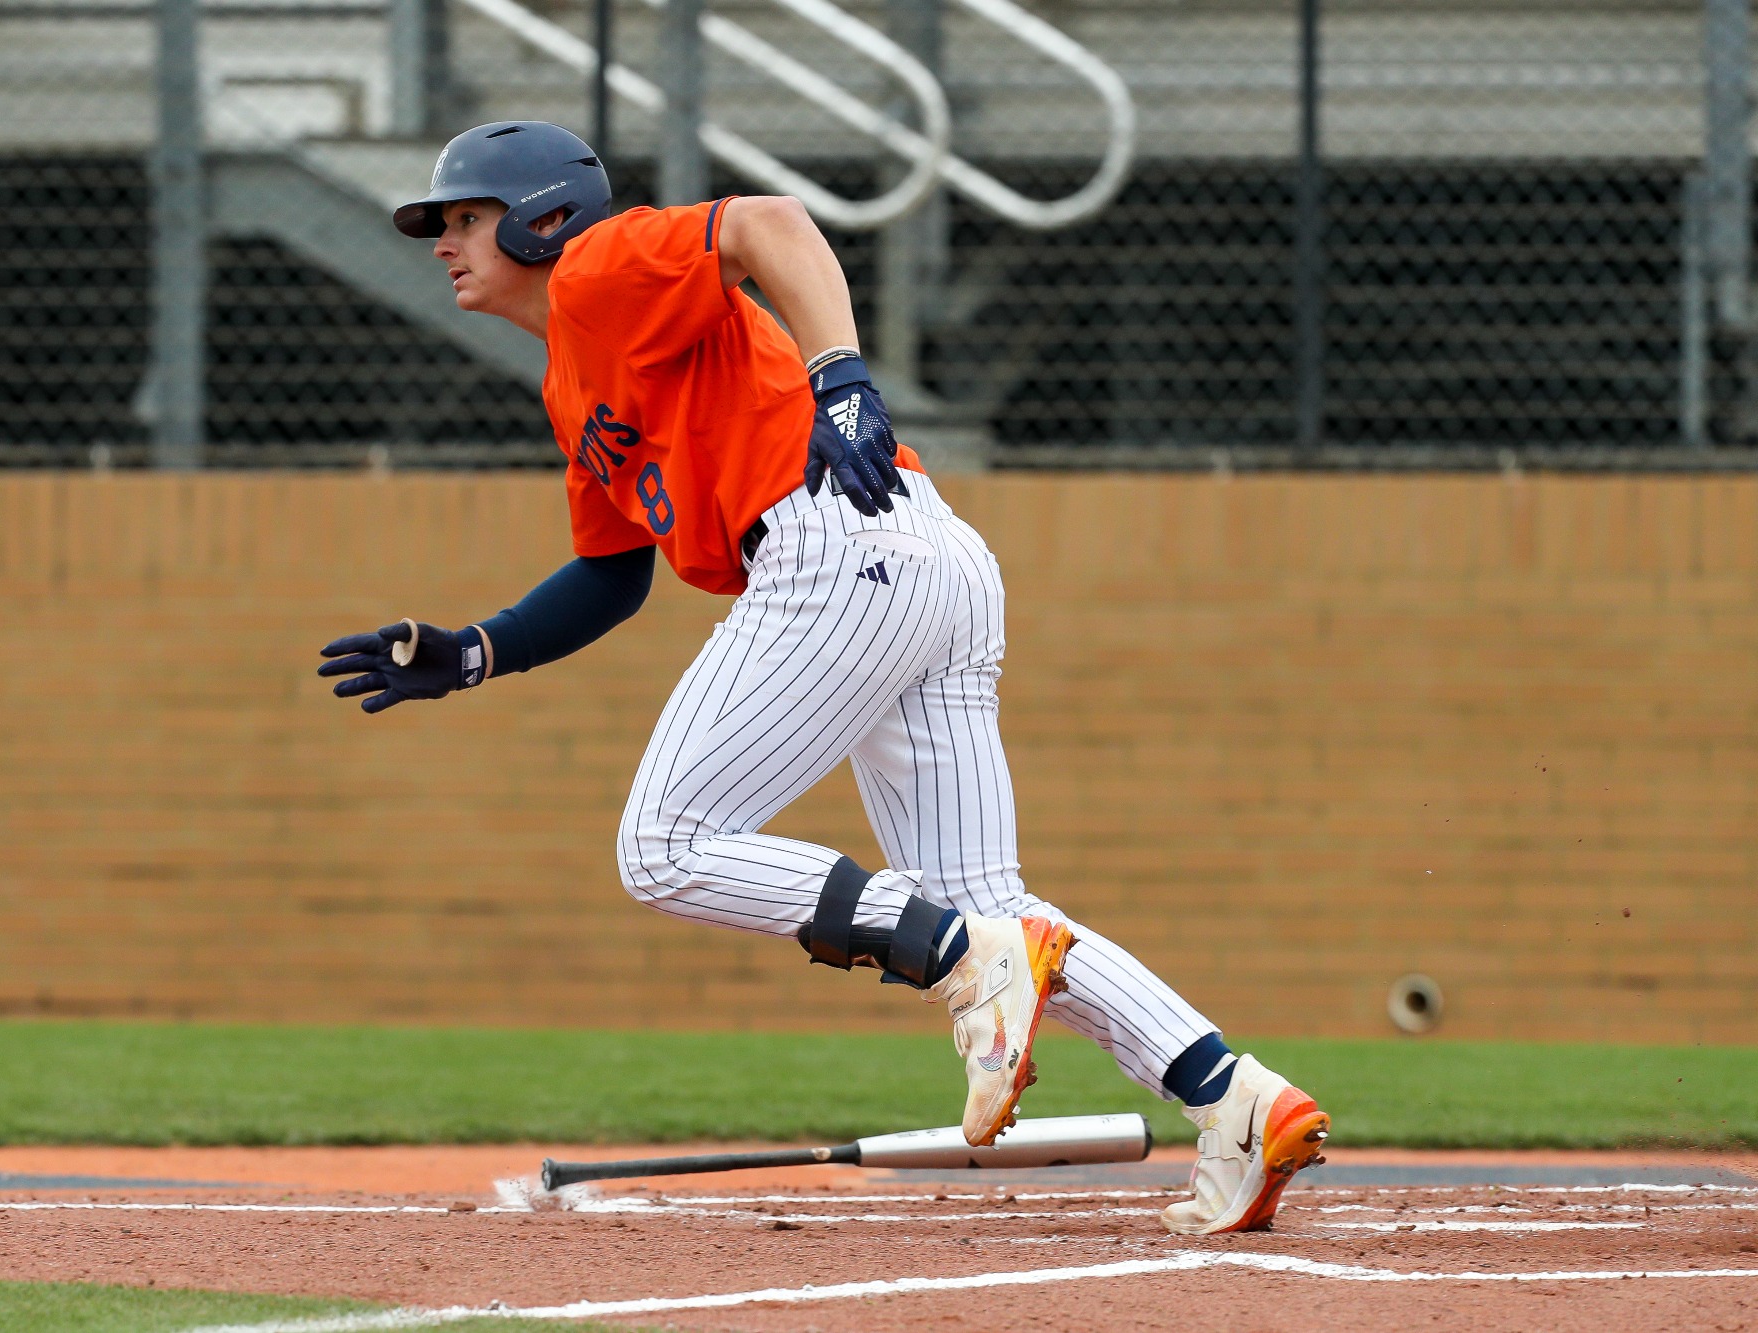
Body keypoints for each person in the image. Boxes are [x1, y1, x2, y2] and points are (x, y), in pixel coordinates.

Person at [316, 121, 1328, 1234]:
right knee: (990, 908)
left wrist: (838, 371)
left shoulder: (599, 269)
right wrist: (475, 650)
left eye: (462, 220)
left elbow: (768, 224)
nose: (442, 243)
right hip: (920, 556)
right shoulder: (571, 377)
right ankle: (1231, 1096)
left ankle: (956, 953)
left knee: (664, 848)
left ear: (539, 219)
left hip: (828, 543)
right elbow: (611, 575)